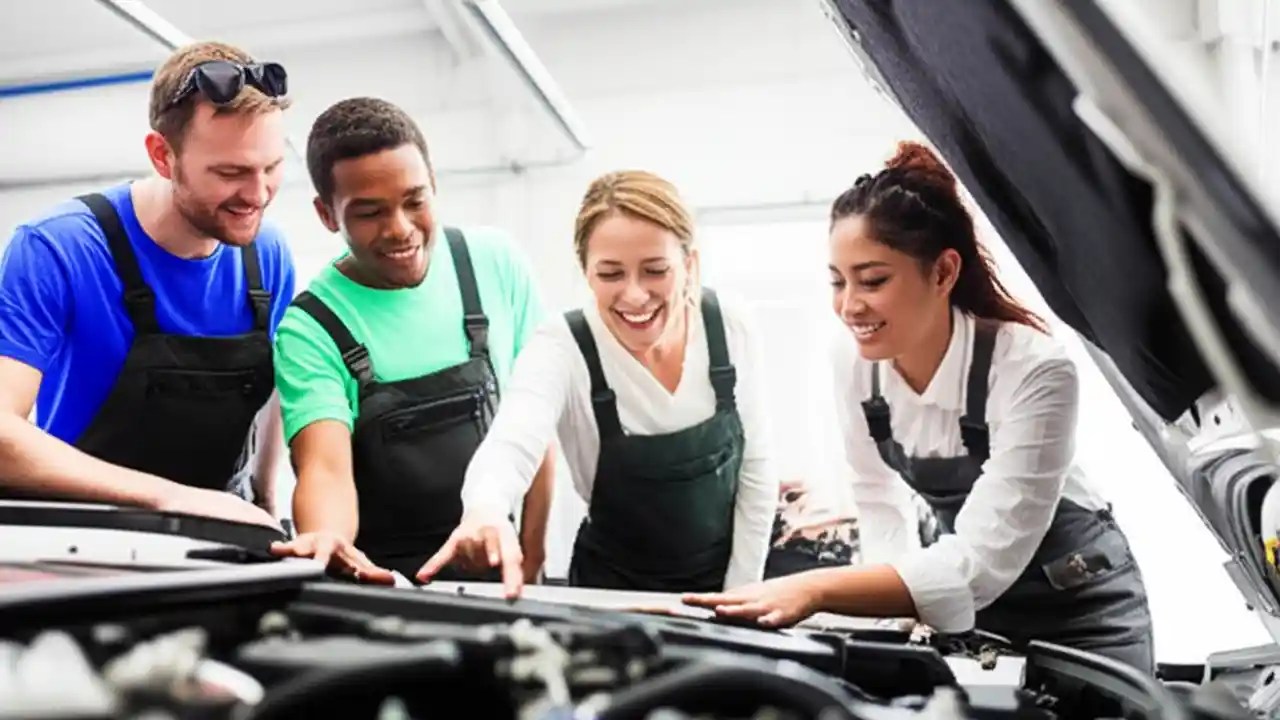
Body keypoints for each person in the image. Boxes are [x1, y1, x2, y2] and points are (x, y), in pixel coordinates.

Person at [683, 142, 1156, 674]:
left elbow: (979, 561)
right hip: (979, 619)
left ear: (943, 273)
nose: (849, 306)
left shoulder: (1034, 369)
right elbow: (878, 500)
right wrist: (893, 623)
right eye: (838, 281)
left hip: (1082, 615)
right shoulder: (855, 362)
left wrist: (816, 589)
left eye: (873, 280)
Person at [418, 170, 779, 599]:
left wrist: (739, 595)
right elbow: (512, 440)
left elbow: (757, 471)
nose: (634, 295)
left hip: (727, 581)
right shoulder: (563, 345)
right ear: (586, 273)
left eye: (655, 270)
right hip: (610, 593)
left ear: (690, 264)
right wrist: (485, 508)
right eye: (610, 274)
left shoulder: (728, 325)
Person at [0, 41, 296, 529]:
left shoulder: (267, 256)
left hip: (217, 540)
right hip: (82, 545)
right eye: (230, 172)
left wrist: (265, 499)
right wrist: (170, 498)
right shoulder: (58, 248)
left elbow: (272, 396)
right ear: (163, 155)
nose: (258, 194)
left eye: (271, 167)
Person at [268, 97, 555, 584]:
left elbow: (536, 424)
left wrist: (533, 555)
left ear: (434, 184)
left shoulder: (495, 263)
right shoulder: (311, 326)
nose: (399, 228)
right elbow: (325, 469)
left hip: (502, 570)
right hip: (384, 585)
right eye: (369, 212)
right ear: (326, 214)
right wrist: (325, 536)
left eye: (415, 201)